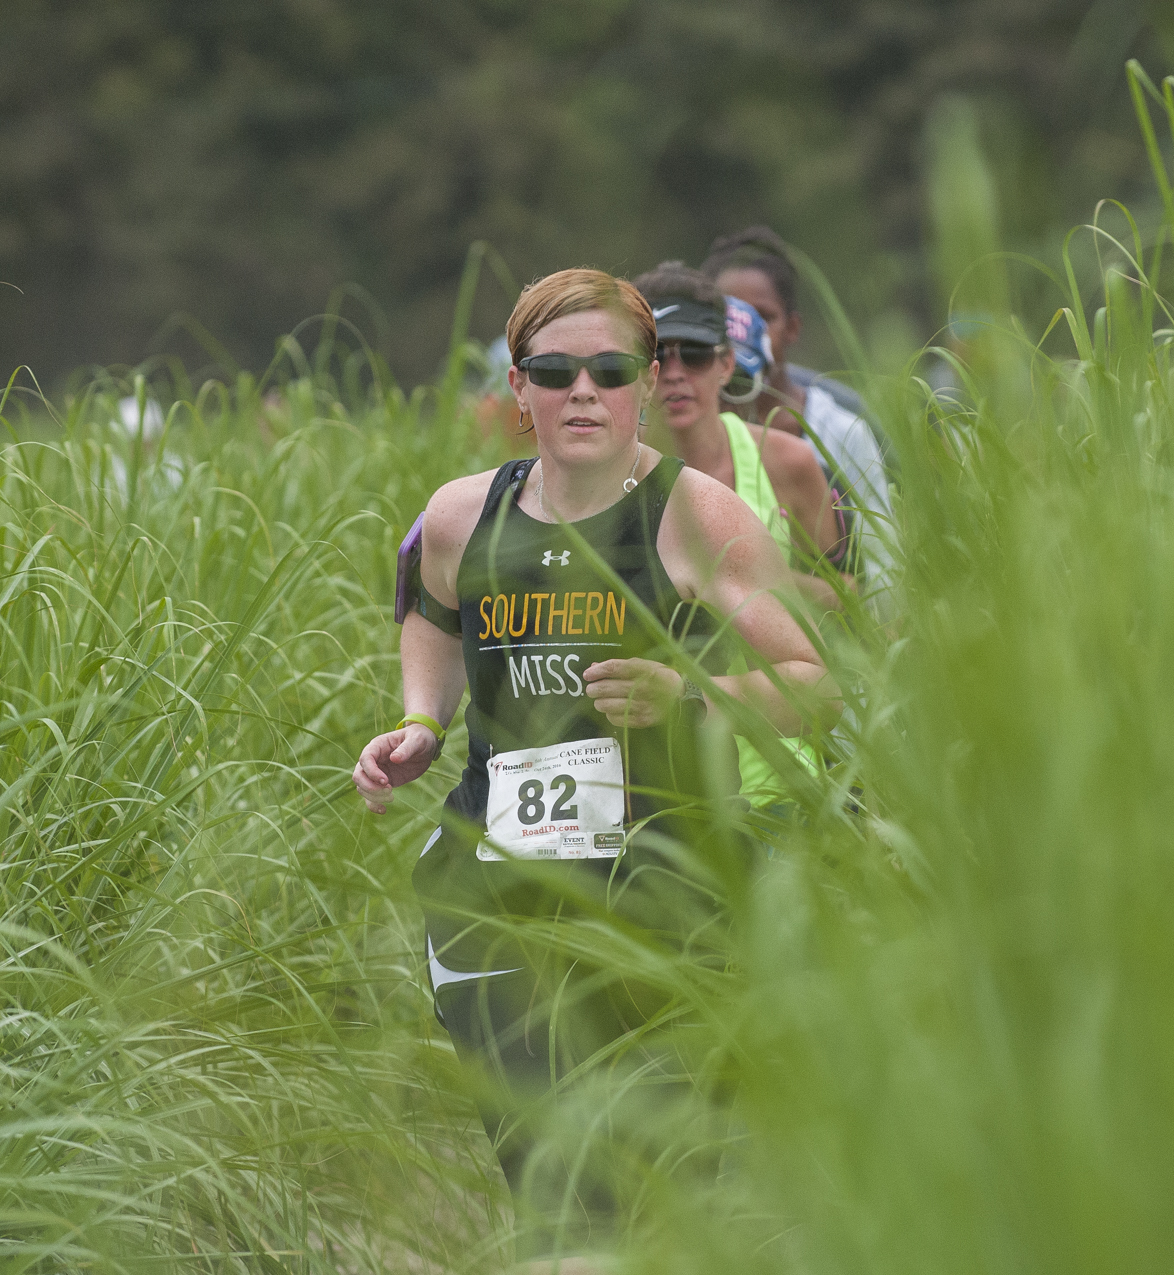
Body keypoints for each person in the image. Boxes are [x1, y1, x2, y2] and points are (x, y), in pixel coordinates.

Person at [352, 268, 833, 1262]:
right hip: (496, 887)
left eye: (609, 371)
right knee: (552, 1171)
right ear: (518, 390)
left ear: (648, 382)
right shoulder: (459, 517)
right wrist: (420, 726)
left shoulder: (697, 518)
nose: (583, 393)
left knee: (658, 1169)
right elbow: (433, 615)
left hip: (664, 889)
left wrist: (688, 696)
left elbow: (811, 682)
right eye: (554, 371)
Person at [633, 261, 844, 811]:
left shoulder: (787, 461)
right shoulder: (605, 478)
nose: (677, 374)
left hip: (776, 760)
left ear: (726, 363)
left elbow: (845, 599)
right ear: (639, 373)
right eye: (661, 356)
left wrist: (747, 576)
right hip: (651, 766)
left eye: (696, 354)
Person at [703, 227, 896, 597]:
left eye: (763, 316)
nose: (745, 334)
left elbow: (881, 561)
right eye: (727, 319)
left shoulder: (840, 430)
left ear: (792, 328)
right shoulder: (690, 425)